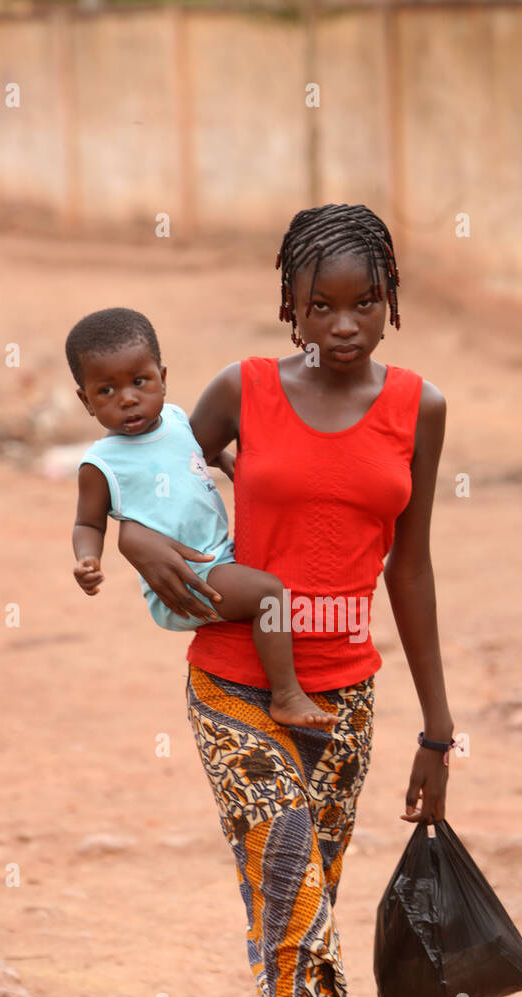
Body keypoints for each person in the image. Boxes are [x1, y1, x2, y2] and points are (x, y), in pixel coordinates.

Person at [117, 203, 454, 997]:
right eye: (319, 305)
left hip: (345, 702)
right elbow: (150, 470)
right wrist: (135, 538)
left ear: (388, 298)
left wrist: (438, 732)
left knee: (293, 927)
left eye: (361, 303)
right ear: (290, 305)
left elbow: (410, 564)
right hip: (234, 690)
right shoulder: (242, 391)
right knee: (296, 916)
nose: (341, 325)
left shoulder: (418, 406)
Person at [67, 306, 335, 730]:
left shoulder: (175, 420)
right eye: (106, 391)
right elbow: (89, 523)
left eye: (140, 382)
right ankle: (286, 695)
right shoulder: (101, 464)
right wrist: (88, 561)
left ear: (163, 377)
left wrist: (222, 458)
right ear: (85, 400)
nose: (128, 398)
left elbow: (190, 453)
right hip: (186, 577)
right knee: (270, 593)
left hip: (216, 556)